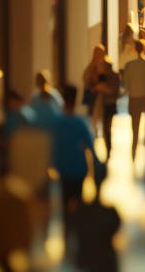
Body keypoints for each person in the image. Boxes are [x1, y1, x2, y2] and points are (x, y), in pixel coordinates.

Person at [51, 84, 99, 228]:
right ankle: (78, 229)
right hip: (79, 167)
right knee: (79, 201)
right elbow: (90, 145)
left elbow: (52, 145)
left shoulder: (56, 122)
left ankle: (67, 230)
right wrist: (96, 163)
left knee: (65, 201)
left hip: (62, 168)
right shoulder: (80, 123)